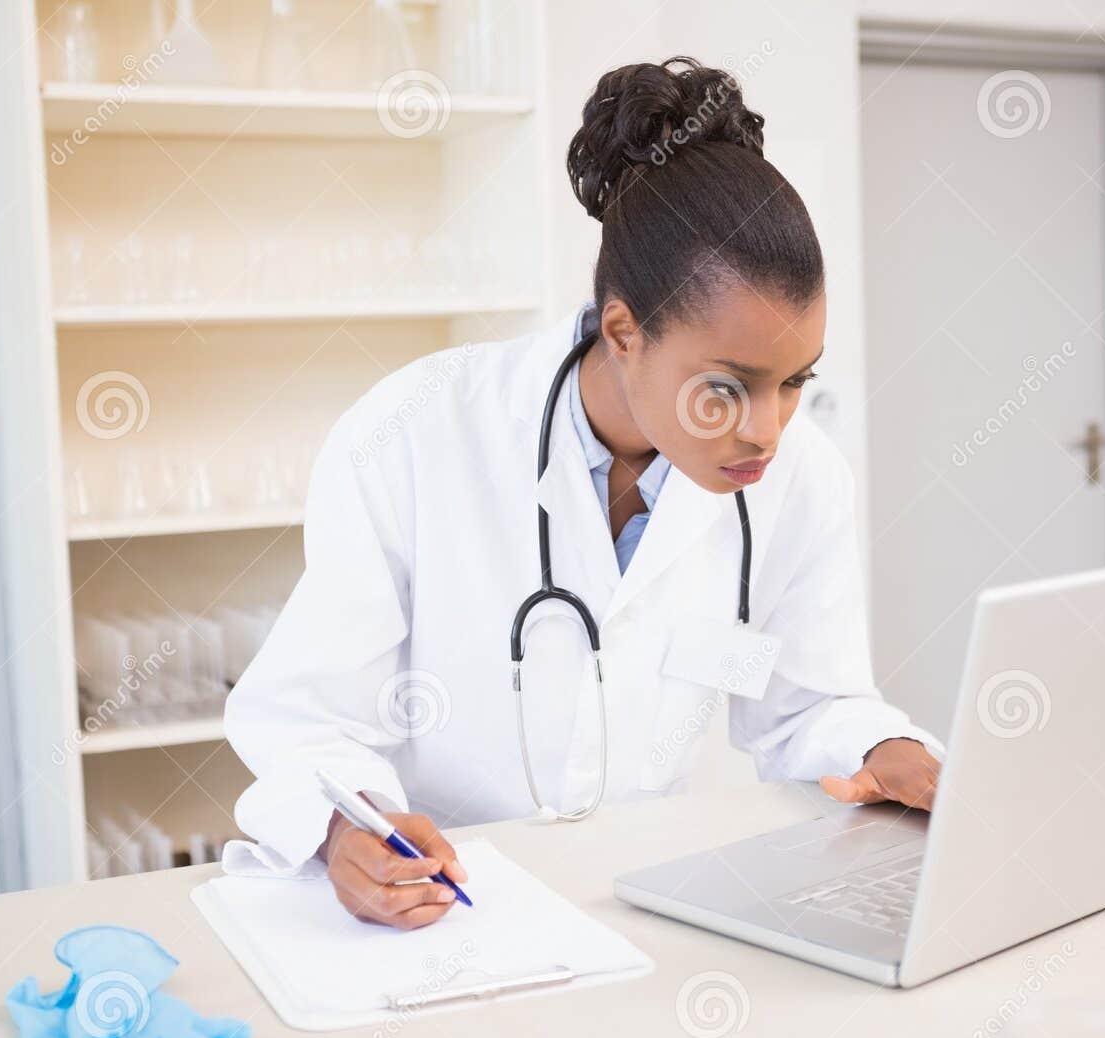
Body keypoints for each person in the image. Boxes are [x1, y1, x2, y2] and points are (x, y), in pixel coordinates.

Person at [225, 56, 941, 930]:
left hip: (650, 905)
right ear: (624, 331)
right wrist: (347, 827)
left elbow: (808, 707)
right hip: (441, 908)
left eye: (796, 381)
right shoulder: (413, 431)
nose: (768, 428)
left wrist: (889, 749)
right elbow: (307, 716)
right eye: (730, 385)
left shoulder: (802, 476)